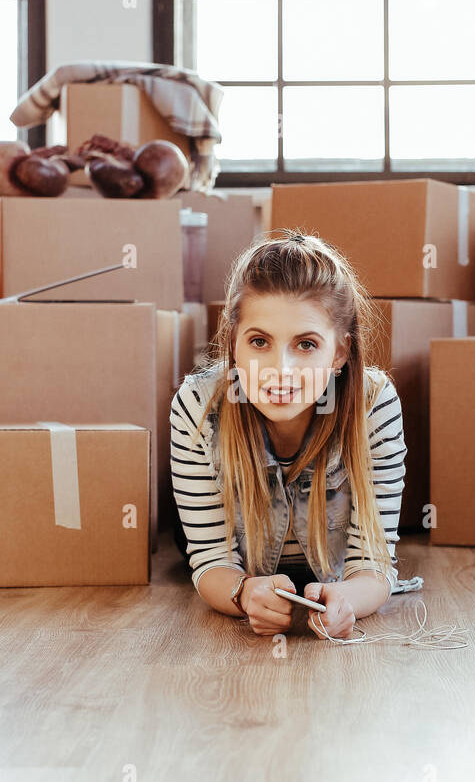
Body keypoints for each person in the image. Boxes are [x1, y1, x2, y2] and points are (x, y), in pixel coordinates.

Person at [170, 230, 406, 641]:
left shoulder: (373, 404)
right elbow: (211, 560)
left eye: (306, 344)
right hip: (227, 549)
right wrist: (243, 593)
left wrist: (348, 600)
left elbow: (375, 562)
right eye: (259, 341)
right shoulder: (198, 405)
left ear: (339, 353)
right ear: (234, 343)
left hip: (332, 568)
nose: (280, 370)